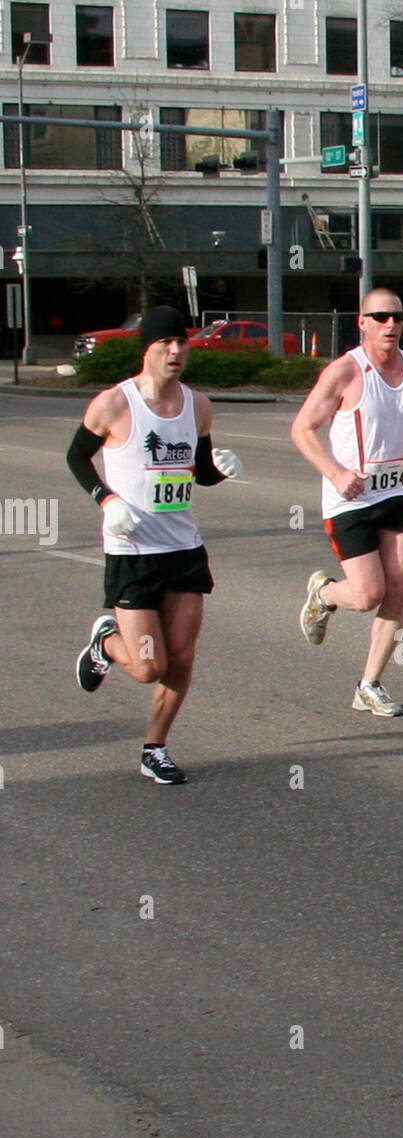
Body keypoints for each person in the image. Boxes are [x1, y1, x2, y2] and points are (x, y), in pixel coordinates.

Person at [68, 305, 244, 784]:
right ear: (146, 348)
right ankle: (106, 643)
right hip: (133, 553)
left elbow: (199, 472)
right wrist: (106, 500)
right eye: (165, 343)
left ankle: (155, 748)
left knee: (181, 657)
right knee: (149, 667)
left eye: (181, 342)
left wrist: (220, 470)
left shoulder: (197, 405)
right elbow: (77, 457)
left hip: (183, 550)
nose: (175, 351)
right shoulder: (114, 403)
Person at [291, 287, 403, 716]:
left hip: (400, 492)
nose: (390, 324)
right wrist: (337, 474)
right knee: (366, 594)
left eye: (397, 317)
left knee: (400, 587)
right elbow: (302, 429)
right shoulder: (344, 372)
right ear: (362, 322)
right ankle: (325, 594)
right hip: (351, 498)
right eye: (380, 317)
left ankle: (369, 684)